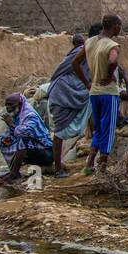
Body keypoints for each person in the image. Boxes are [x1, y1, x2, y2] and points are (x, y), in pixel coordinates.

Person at [75, 12, 125, 174]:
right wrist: (109, 76)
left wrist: (87, 83)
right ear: (115, 26)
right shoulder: (112, 45)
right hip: (108, 92)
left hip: (94, 92)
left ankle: (88, 165)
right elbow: (113, 61)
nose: (120, 29)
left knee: (98, 129)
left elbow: (75, 63)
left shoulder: (89, 42)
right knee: (108, 129)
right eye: (120, 26)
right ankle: (102, 167)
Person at [46, 31, 94, 177]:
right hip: (63, 93)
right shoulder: (79, 54)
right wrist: (86, 84)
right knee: (59, 132)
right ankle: (58, 168)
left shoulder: (74, 54)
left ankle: (88, 159)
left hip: (62, 92)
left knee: (59, 131)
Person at [0, 92, 54, 184]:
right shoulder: (18, 115)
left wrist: (11, 124)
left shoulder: (30, 116)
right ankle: (13, 171)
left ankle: (14, 174)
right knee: (4, 140)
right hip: (34, 150)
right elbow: (12, 134)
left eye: (11, 105)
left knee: (23, 141)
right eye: (6, 105)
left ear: (19, 104)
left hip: (46, 152)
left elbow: (24, 133)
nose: (8, 107)